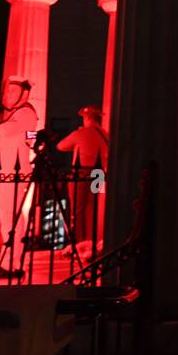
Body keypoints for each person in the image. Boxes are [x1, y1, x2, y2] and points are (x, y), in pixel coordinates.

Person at [0, 78, 39, 278]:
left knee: (10, 218)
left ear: (23, 93)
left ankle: (12, 263)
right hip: (6, 172)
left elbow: (5, 130)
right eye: (7, 91)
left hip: (13, 172)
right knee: (8, 217)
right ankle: (10, 261)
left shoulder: (26, 112)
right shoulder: (16, 113)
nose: (8, 95)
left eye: (14, 91)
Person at [57, 105, 110, 249]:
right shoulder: (105, 134)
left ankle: (79, 242)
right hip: (99, 173)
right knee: (94, 206)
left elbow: (60, 146)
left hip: (82, 172)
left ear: (87, 118)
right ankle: (93, 239)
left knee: (78, 208)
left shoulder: (81, 133)